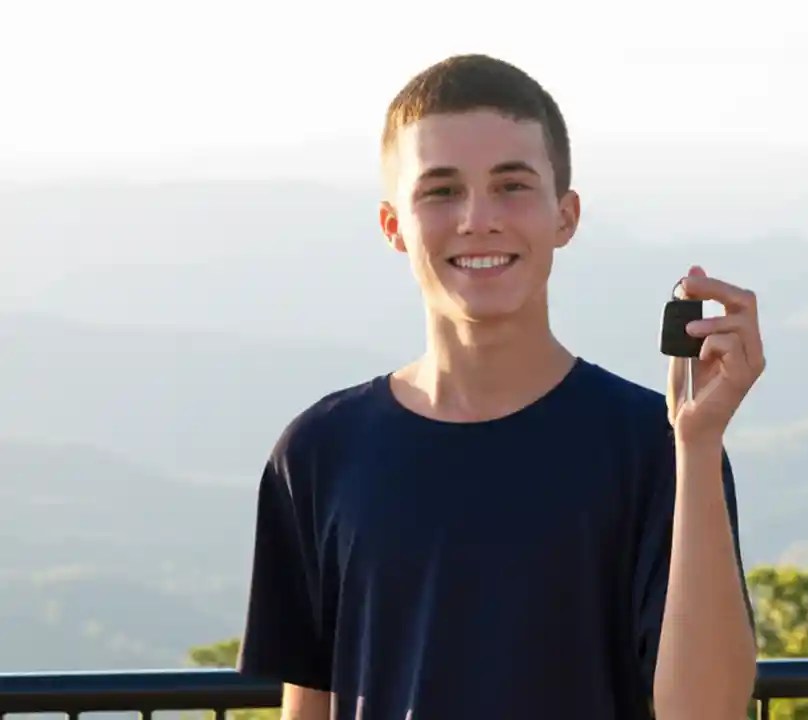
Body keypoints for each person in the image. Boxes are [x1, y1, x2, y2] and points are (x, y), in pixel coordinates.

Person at [235, 53, 764, 720]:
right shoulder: (319, 452)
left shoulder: (656, 446)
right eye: (441, 190)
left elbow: (706, 713)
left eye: (511, 185)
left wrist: (699, 443)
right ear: (394, 226)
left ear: (564, 216)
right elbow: (309, 705)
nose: (477, 218)